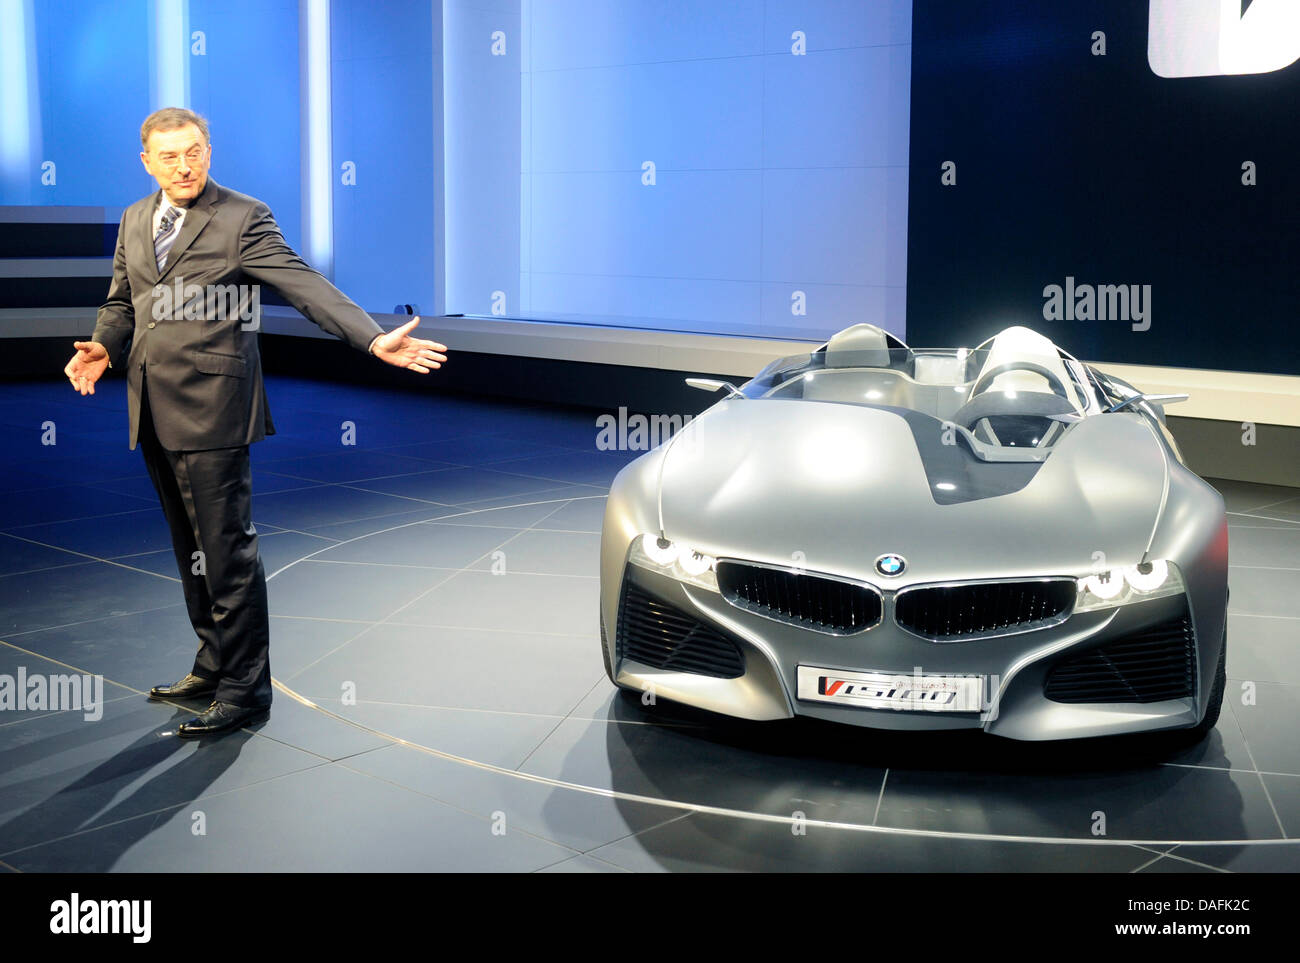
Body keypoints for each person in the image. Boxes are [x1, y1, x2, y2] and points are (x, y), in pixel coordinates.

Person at [62, 107, 448, 736]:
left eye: (194, 152)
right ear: (147, 162)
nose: (183, 166)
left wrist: (373, 340)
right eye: (169, 156)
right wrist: (106, 346)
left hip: (214, 407)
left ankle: (246, 689)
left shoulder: (243, 216)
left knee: (226, 551)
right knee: (190, 550)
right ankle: (213, 663)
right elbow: (122, 301)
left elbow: (303, 284)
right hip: (151, 405)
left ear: (208, 152)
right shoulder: (135, 218)